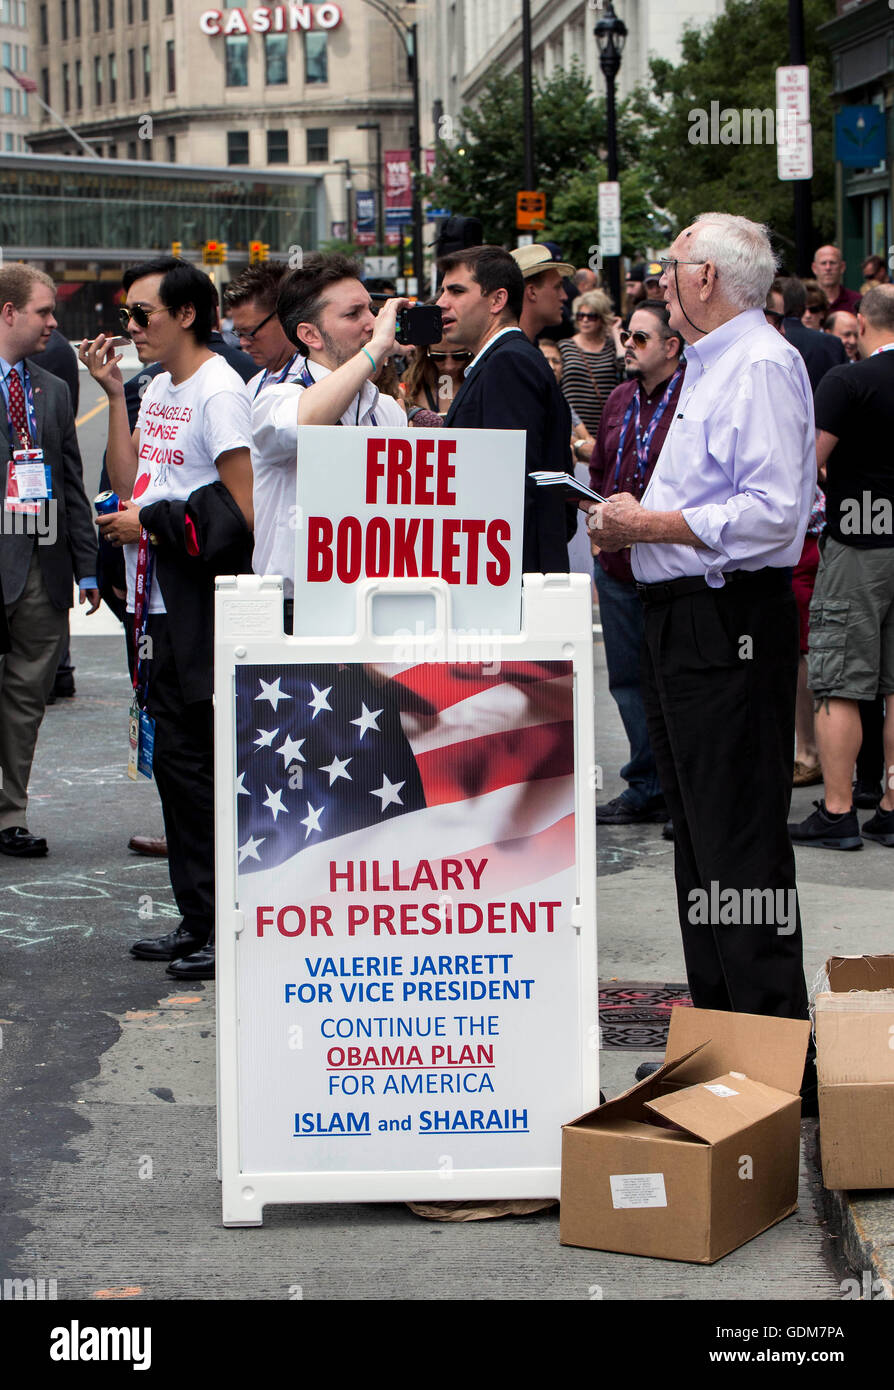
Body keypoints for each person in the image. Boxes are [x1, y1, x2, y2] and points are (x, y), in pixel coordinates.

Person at [587, 213, 817, 1105]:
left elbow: (770, 512)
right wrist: (634, 517)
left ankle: (766, 1052)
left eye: (673, 266)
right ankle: (723, 1039)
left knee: (739, 841)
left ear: (708, 280)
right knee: (702, 838)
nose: (662, 279)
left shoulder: (756, 365)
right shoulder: (717, 364)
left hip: (728, 621)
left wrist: (649, 522)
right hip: (687, 618)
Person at [82, 257, 254, 980]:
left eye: (142, 314)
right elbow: (131, 482)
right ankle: (196, 918)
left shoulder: (218, 390)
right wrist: (116, 397)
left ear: (187, 314)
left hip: (197, 606)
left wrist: (149, 524)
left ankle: (223, 924)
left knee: (201, 772)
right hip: (152, 602)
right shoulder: (157, 390)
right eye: (128, 315)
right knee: (176, 772)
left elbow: (243, 510)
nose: (131, 328)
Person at [789, 285, 894, 851]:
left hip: (859, 541)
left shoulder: (848, 381)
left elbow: (809, 464)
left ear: (860, 322)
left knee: (839, 682)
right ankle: (892, 808)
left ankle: (836, 810)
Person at [0, 266, 100, 857]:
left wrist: (85, 566)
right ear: (7, 312)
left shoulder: (53, 389)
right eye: (42, 311)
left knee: (26, 699)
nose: (53, 323)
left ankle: (10, 812)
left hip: (40, 563)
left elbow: (70, 481)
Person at [588, 303, 684, 826]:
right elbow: (600, 471)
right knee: (627, 680)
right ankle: (647, 785)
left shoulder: (691, 398)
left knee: (674, 681)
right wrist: (599, 527)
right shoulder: (620, 398)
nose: (628, 344)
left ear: (671, 347)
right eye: (627, 335)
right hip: (619, 567)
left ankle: (679, 792)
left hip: (672, 565)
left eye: (641, 338)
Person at [435, 244, 576, 573]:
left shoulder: (509, 362)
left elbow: (511, 486)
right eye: (443, 291)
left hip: (507, 577)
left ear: (497, 300)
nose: (442, 302)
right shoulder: (505, 358)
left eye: (456, 291)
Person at [558, 289, 625, 437]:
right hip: (573, 428)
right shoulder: (565, 346)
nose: (585, 320)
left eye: (591, 316)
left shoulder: (611, 347)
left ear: (602, 318)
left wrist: (615, 331)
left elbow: (625, 368)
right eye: (581, 316)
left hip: (606, 427)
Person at [779, 277, 846, 389]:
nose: (808, 315)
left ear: (823, 313)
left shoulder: (832, 343)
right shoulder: (775, 336)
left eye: (814, 309)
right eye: (805, 309)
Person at [511, 243, 574, 346]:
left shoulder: (524, 346)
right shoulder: (511, 353)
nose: (564, 296)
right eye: (557, 287)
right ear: (532, 292)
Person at [400, 336, 470, 424]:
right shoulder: (405, 391)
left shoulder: (483, 385)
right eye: (438, 357)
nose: (449, 366)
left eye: (459, 356)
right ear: (426, 352)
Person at [811, 244, 861, 316]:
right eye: (823, 263)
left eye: (832, 263)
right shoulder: (805, 302)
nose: (828, 268)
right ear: (814, 268)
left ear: (842, 267)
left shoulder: (857, 301)